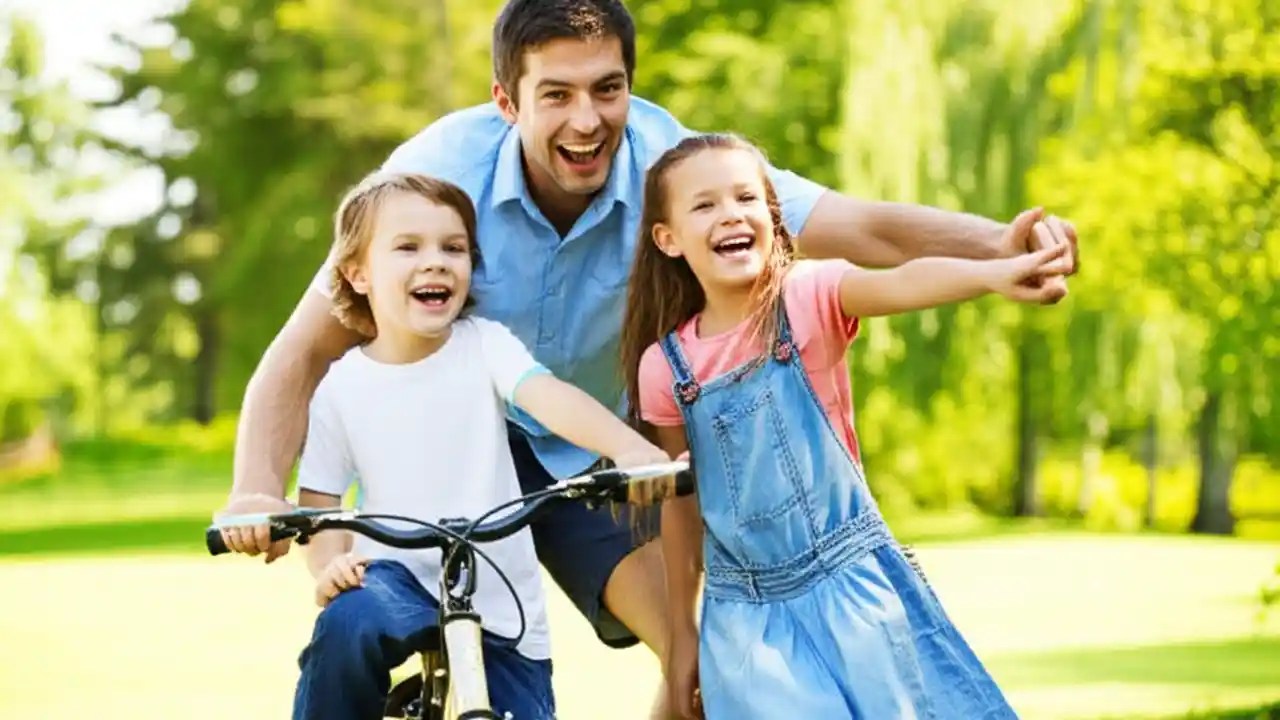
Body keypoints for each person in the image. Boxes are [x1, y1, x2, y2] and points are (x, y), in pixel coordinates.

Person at [217, 0, 1079, 715]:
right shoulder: (431, 184)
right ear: (506, 102)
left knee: (695, 660)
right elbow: (302, 352)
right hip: (456, 446)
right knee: (358, 627)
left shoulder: (674, 170)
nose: (586, 120)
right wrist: (257, 486)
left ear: (631, 86)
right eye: (555, 94)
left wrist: (997, 246)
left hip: (585, 442)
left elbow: (858, 226)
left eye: (608, 89)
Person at [620, 133, 1068, 718]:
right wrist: (682, 638)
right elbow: (680, 505)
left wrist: (992, 275)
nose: (731, 214)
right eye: (705, 205)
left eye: (746, 198)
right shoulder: (665, 369)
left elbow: (904, 279)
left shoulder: (808, 296)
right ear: (668, 238)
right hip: (748, 621)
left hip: (855, 590)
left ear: (773, 218)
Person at [285, 170, 670, 719]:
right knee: (349, 620)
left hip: (499, 601)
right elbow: (319, 501)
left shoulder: (484, 346)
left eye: (454, 248)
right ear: (357, 273)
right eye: (408, 247)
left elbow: (550, 397)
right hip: (394, 579)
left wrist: (630, 449)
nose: (437, 261)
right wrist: (328, 566)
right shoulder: (342, 386)